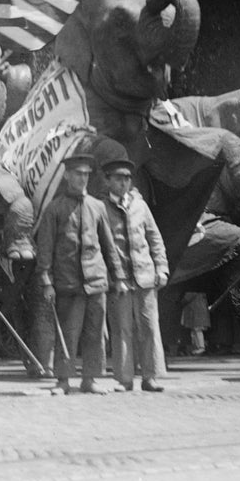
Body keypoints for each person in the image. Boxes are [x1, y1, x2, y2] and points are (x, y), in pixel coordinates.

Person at [35, 152, 128, 395]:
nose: (83, 178)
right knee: (67, 332)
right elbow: (45, 248)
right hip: (68, 283)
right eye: (78, 174)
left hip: (96, 282)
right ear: (67, 176)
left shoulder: (97, 207)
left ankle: (90, 379)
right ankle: (63, 381)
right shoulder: (54, 210)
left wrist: (118, 277)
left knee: (95, 333)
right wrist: (46, 280)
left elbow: (108, 246)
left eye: (87, 174)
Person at [98, 157, 169, 392]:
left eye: (127, 178)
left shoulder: (141, 206)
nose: (123, 183)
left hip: (145, 275)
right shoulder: (100, 208)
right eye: (118, 179)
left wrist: (162, 268)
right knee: (122, 328)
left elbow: (155, 239)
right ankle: (124, 379)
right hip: (118, 281)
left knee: (149, 327)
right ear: (107, 181)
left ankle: (150, 376)